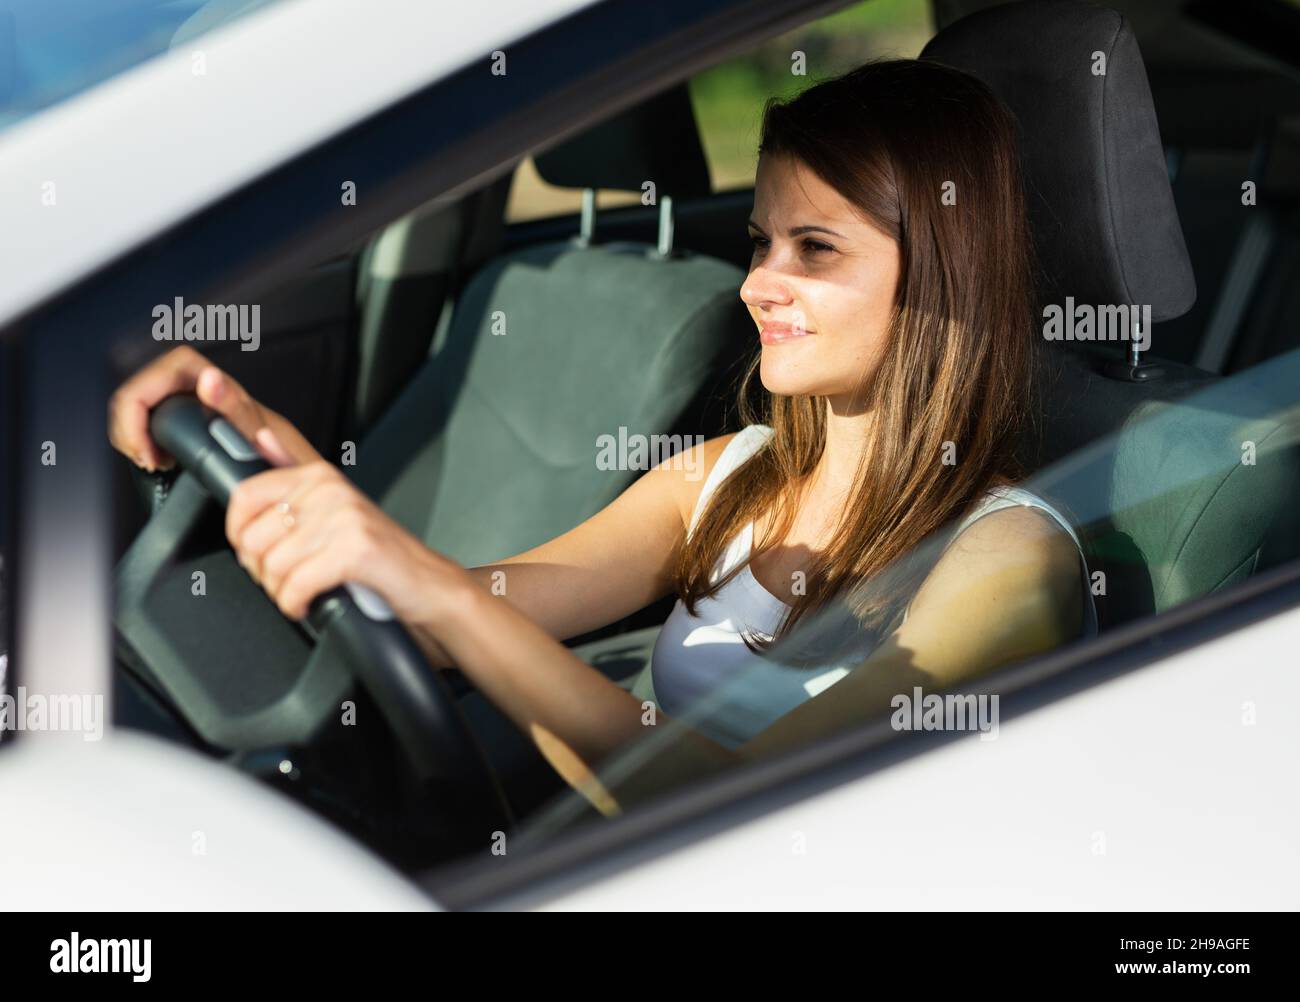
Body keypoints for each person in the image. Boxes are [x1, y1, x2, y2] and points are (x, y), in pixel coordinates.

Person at [109, 60, 1095, 811]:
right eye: (760, 241)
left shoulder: (1011, 559)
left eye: (815, 249)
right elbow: (483, 609)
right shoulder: (728, 476)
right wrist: (249, 432)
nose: (757, 283)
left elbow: (745, 799)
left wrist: (444, 595)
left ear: (942, 272)